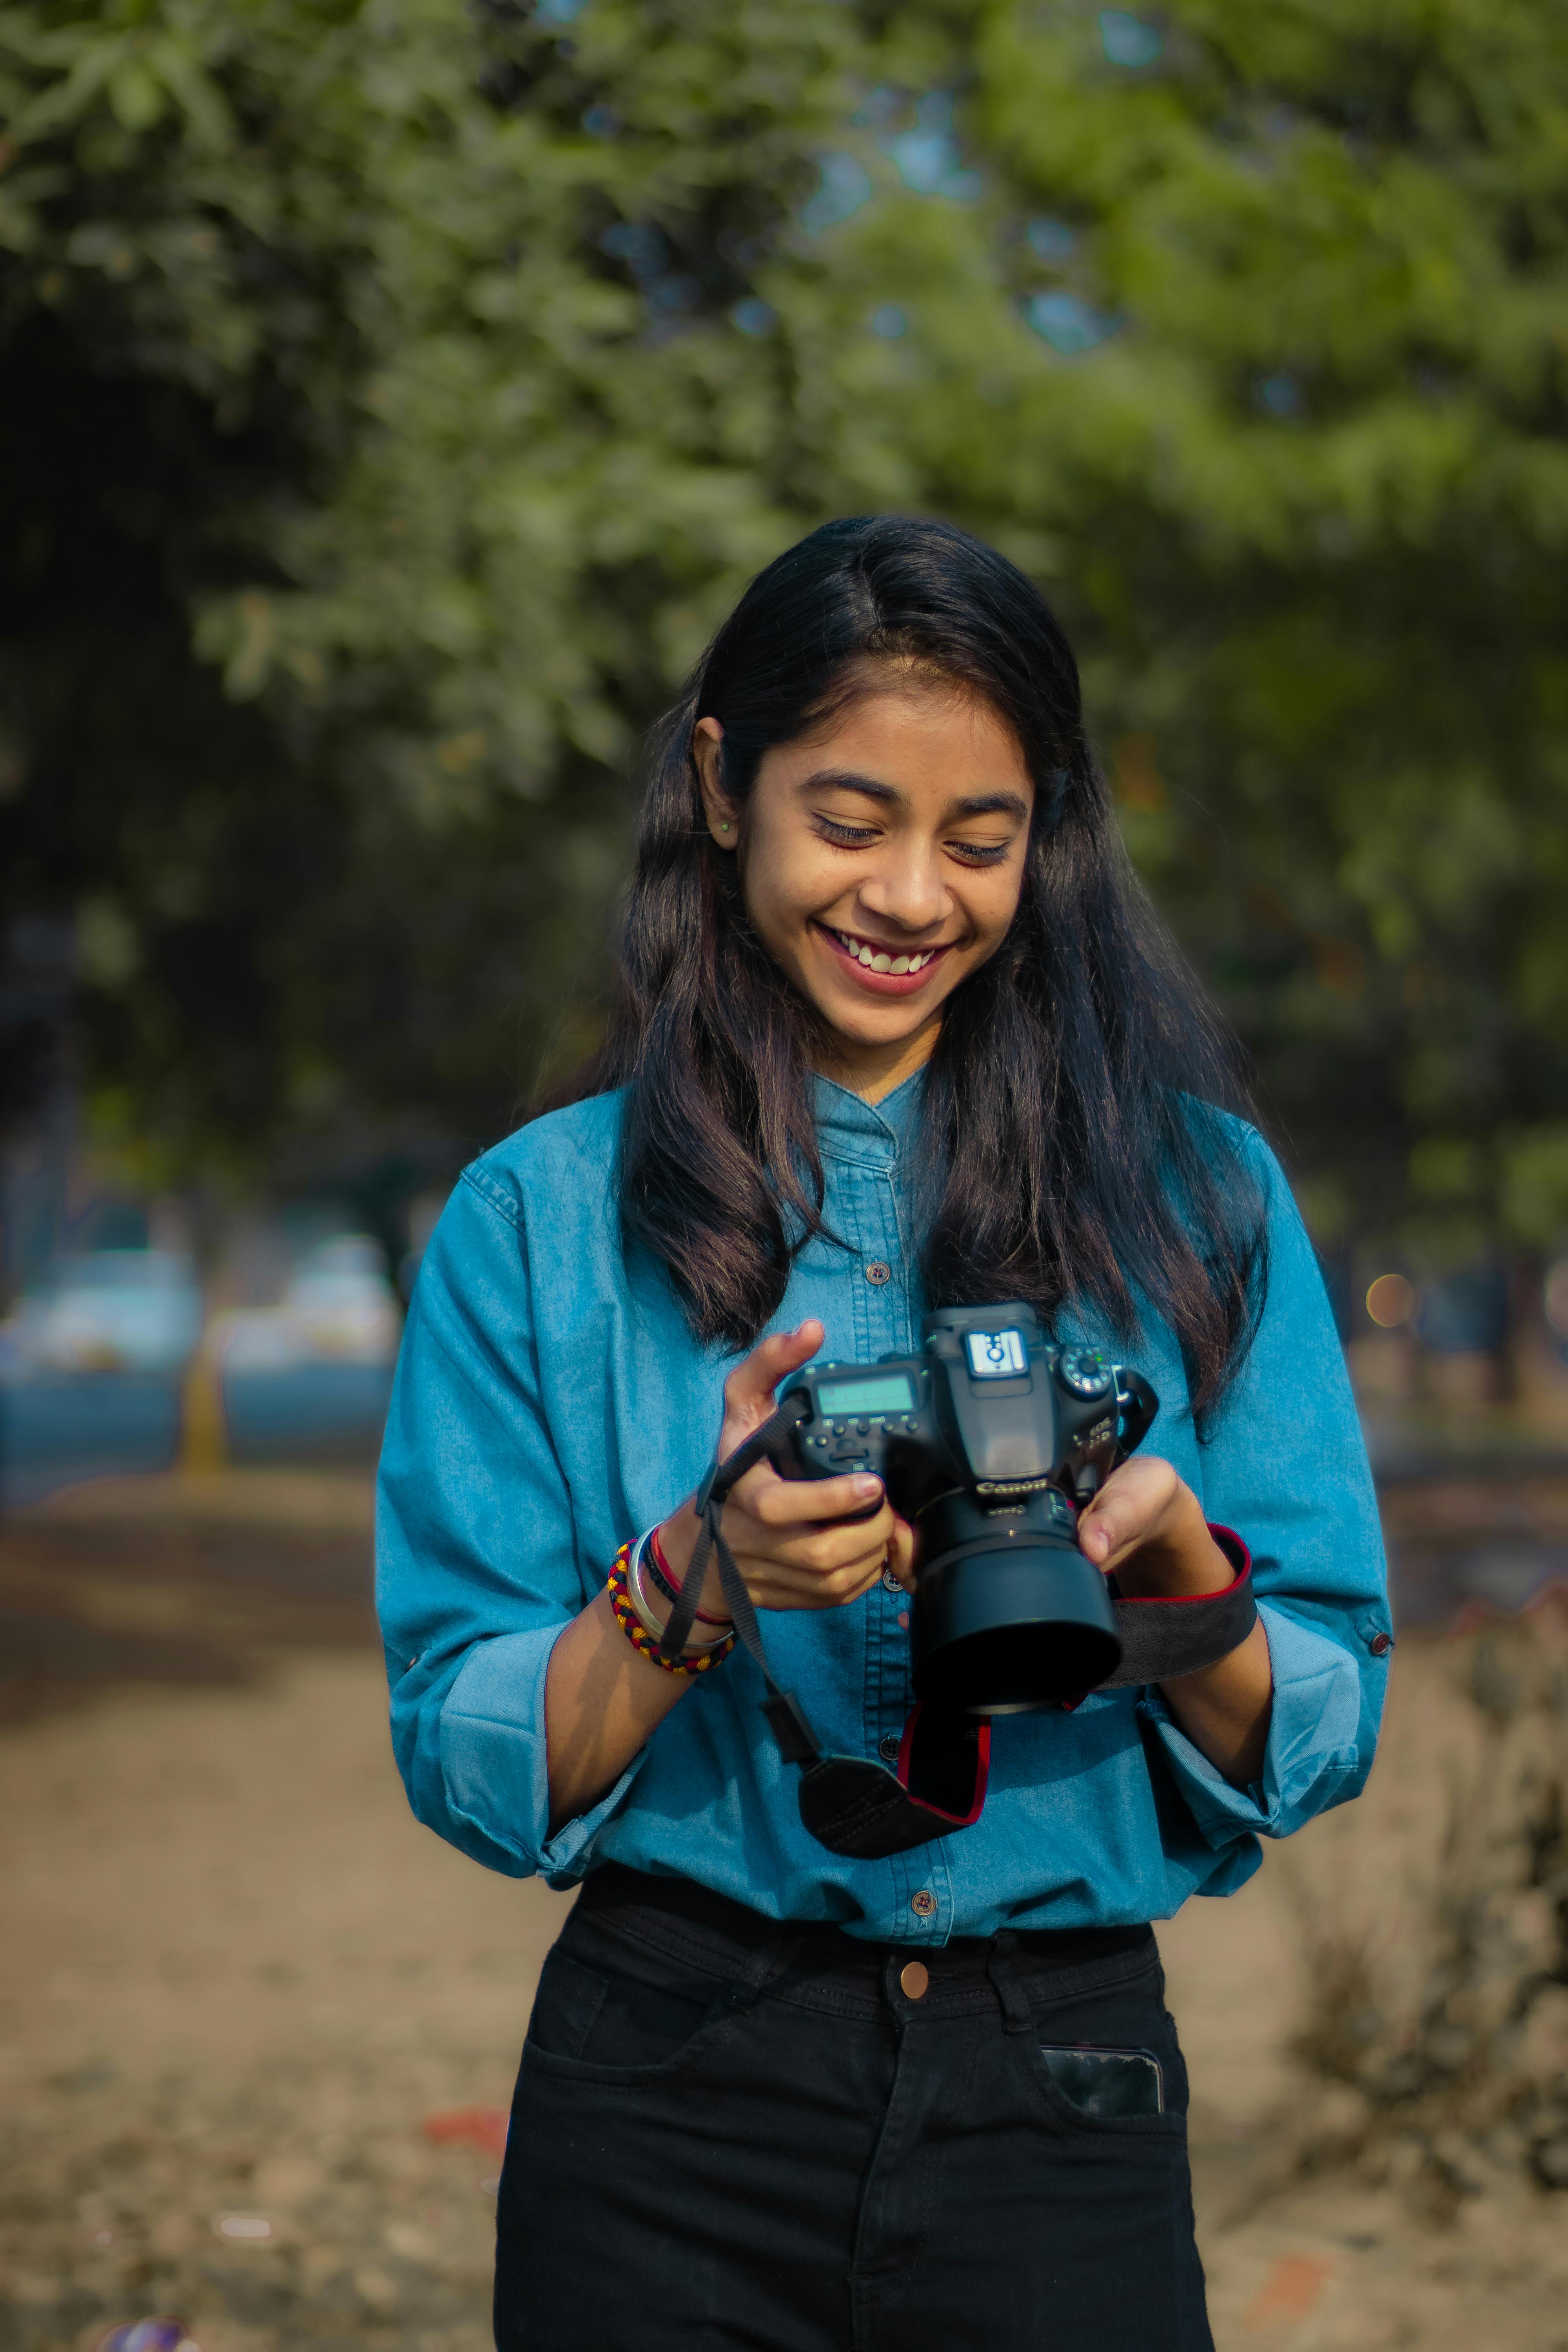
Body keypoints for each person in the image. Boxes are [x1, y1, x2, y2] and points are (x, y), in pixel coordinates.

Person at [376, 516, 1390, 2352]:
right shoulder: (536, 1221)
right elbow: (469, 1752)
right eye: (850, 821)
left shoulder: (1196, 1199)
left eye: (979, 840)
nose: (911, 897)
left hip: (1060, 2087)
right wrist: (700, 1572)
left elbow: (1325, 1722)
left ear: (1046, 840)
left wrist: (1178, 1586)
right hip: (669, 2082)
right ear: (721, 784)